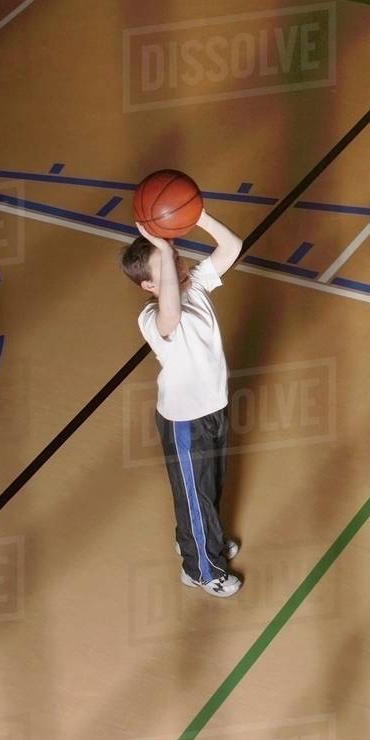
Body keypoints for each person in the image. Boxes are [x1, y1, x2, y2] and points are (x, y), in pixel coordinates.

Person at [120, 207, 243, 598]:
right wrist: (161, 247)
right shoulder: (152, 318)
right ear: (148, 285)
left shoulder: (198, 285)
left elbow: (232, 246)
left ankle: (201, 539)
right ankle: (201, 569)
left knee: (208, 487)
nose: (178, 264)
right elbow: (170, 312)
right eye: (166, 265)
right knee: (195, 495)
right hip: (185, 422)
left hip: (214, 407)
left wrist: (198, 215)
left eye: (175, 256)